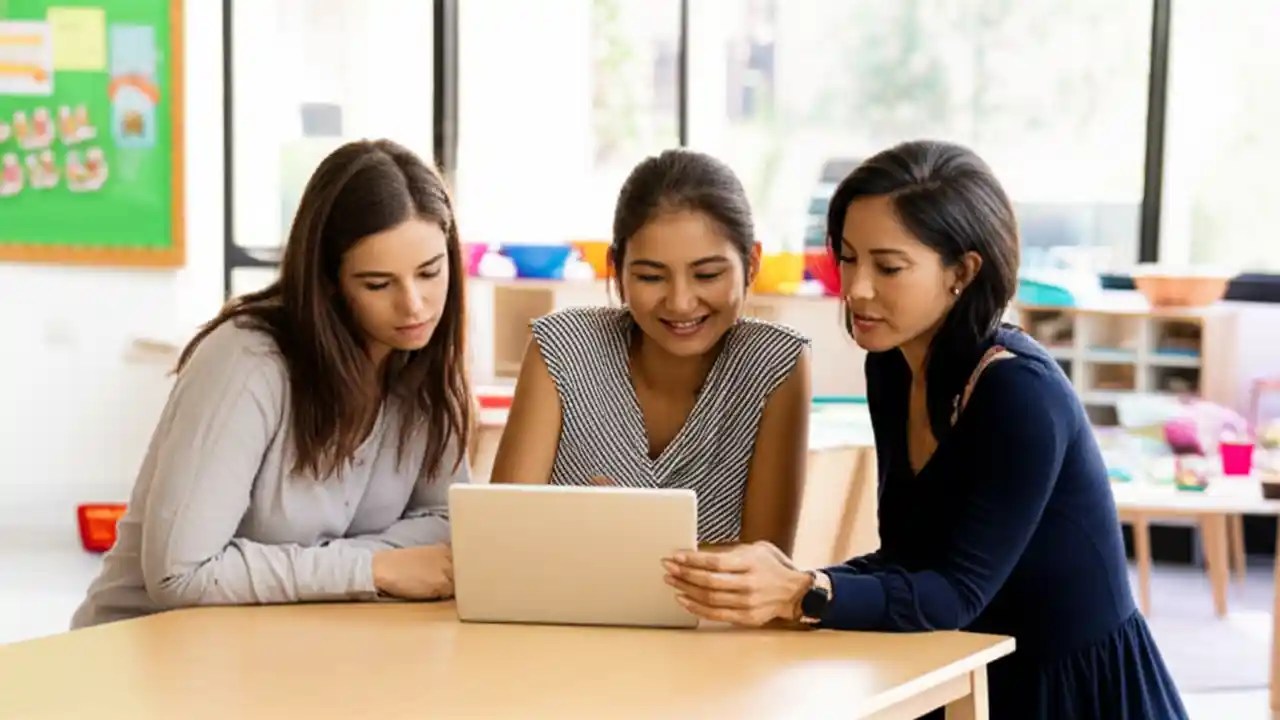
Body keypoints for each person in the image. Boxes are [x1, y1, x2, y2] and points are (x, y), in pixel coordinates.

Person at [662, 140, 1187, 719]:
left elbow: (955, 592)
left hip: (1070, 693)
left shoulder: (1018, 392)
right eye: (848, 257)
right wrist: (788, 585)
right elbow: (910, 562)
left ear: (962, 271)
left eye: (888, 267)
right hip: (962, 669)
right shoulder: (890, 363)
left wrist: (803, 590)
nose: (857, 288)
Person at [71, 139, 472, 628]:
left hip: (283, 649)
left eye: (430, 272)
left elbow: (450, 529)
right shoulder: (248, 361)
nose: (415, 305)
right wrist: (373, 568)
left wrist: (338, 568)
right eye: (377, 284)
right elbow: (181, 576)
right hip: (137, 658)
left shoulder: (424, 369)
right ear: (329, 281)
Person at [489, 149, 811, 551]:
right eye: (650, 276)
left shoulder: (775, 363)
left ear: (751, 264)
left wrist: (603, 539)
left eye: (707, 274)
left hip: (713, 618)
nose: (680, 302)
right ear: (617, 269)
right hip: (562, 613)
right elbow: (501, 540)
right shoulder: (562, 347)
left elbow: (763, 564)